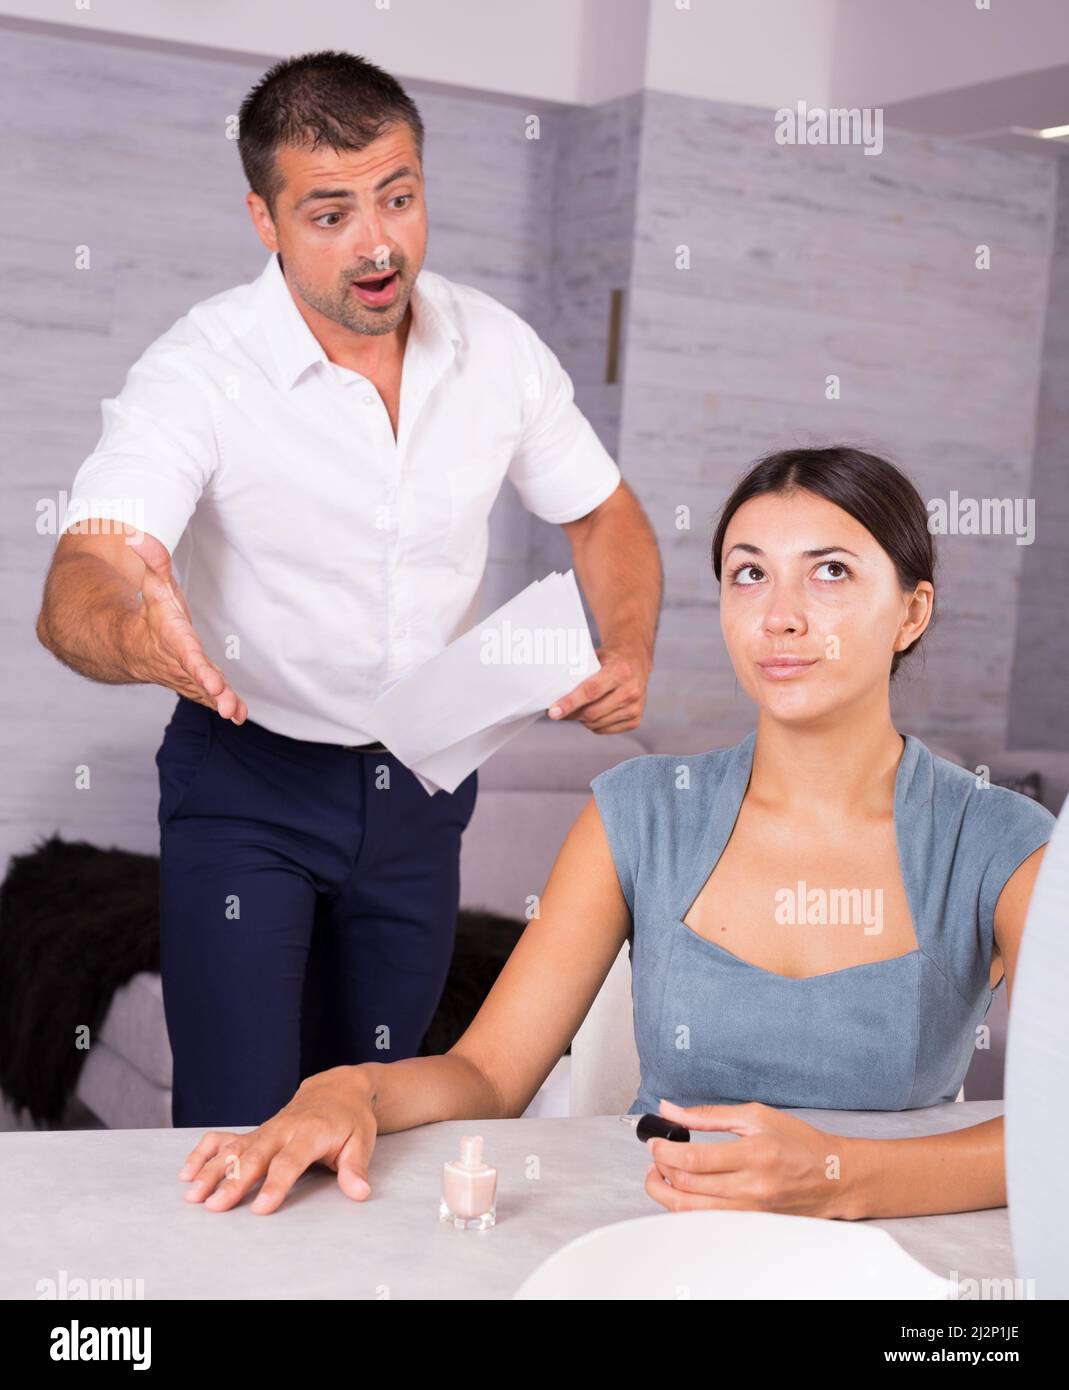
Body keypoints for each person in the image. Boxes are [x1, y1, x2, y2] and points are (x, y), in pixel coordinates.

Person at [176, 446, 1054, 1220]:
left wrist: (838, 1179)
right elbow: (488, 1076)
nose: (780, 615)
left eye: (829, 573)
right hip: (662, 1254)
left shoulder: (999, 842)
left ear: (911, 611)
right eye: (749, 574)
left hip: (895, 1266)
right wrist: (348, 1088)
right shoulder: (638, 812)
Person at [34, 51, 661, 1129]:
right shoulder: (199, 370)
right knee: (239, 1118)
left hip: (419, 784)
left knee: (376, 1103)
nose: (377, 243)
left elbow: (604, 511)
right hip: (247, 783)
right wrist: (139, 634)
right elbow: (80, 576)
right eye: (329, 213)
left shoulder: (496, 351)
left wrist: (631, 645)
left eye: (399, 198)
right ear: (264, 219)